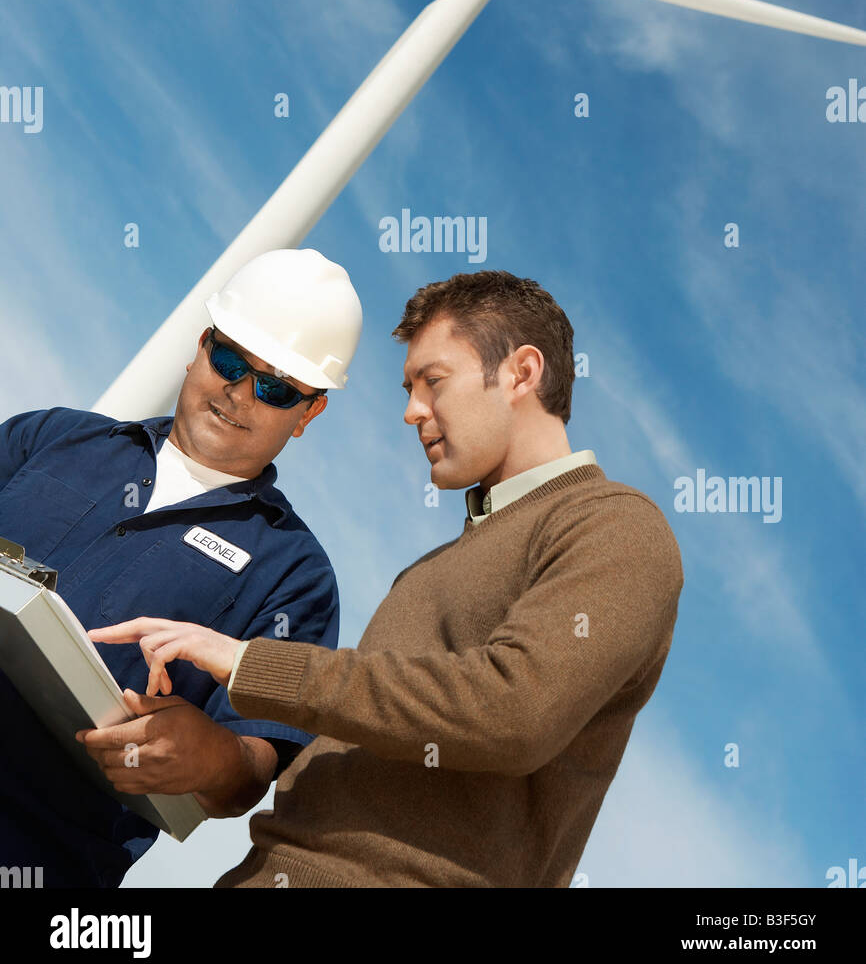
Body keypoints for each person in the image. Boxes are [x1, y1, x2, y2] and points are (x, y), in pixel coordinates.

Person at [95, 270, 683, 889]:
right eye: (409, 388)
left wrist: (250, 664)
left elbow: (515, 711)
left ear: (522, 373)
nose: (411, 412)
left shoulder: (615, 526)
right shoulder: (426, 570)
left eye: (433, 382)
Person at [0, 247, 362, 887]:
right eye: (230, 360)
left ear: (309, 413)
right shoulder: (53, 437)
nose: (240, 393)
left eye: (277, 388)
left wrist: (209, 757)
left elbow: (248, 772)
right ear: (200, 345)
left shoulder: (295, 575)